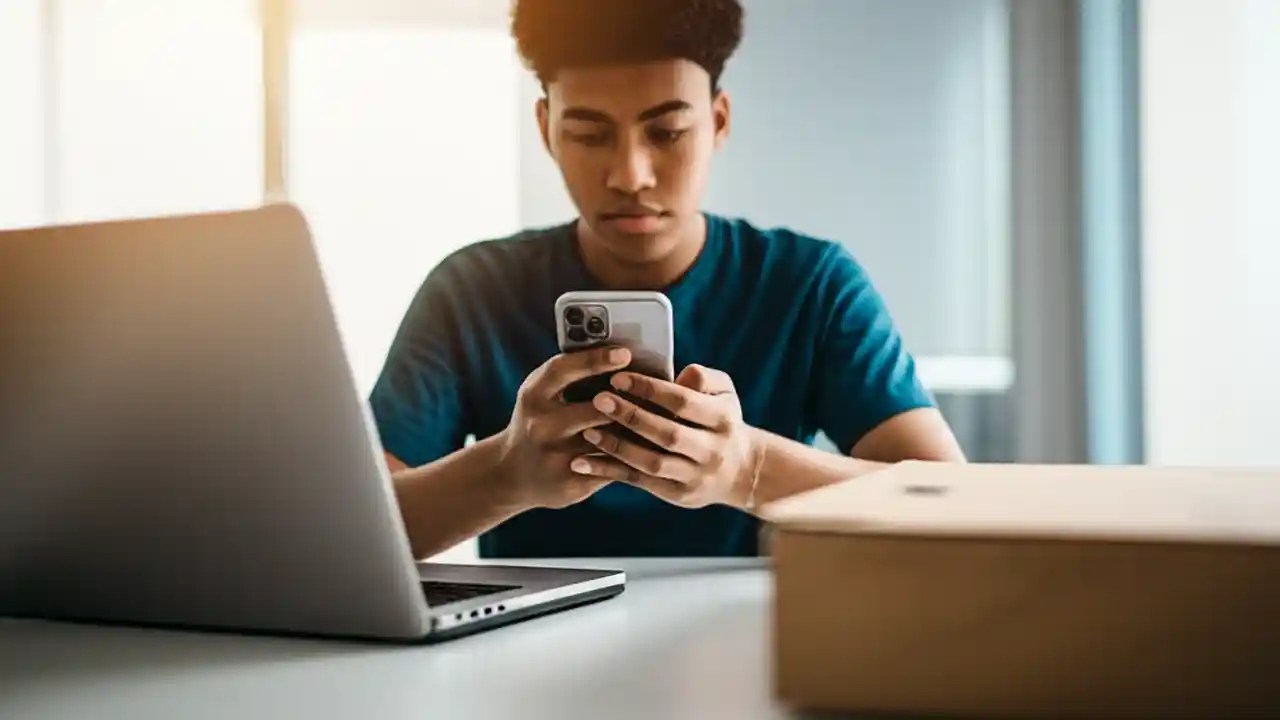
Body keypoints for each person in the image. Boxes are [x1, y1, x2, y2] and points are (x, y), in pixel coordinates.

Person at [372, 0, 966, 560]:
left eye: (667, 132)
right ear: (546, 127)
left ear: (719, 122)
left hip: (757, 650)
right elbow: (354, 535)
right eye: (589, 134)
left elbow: (951, 505)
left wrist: (748, 469)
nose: (630, 175)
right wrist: (505, 473)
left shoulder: (812, 285)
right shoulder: (471, 292)